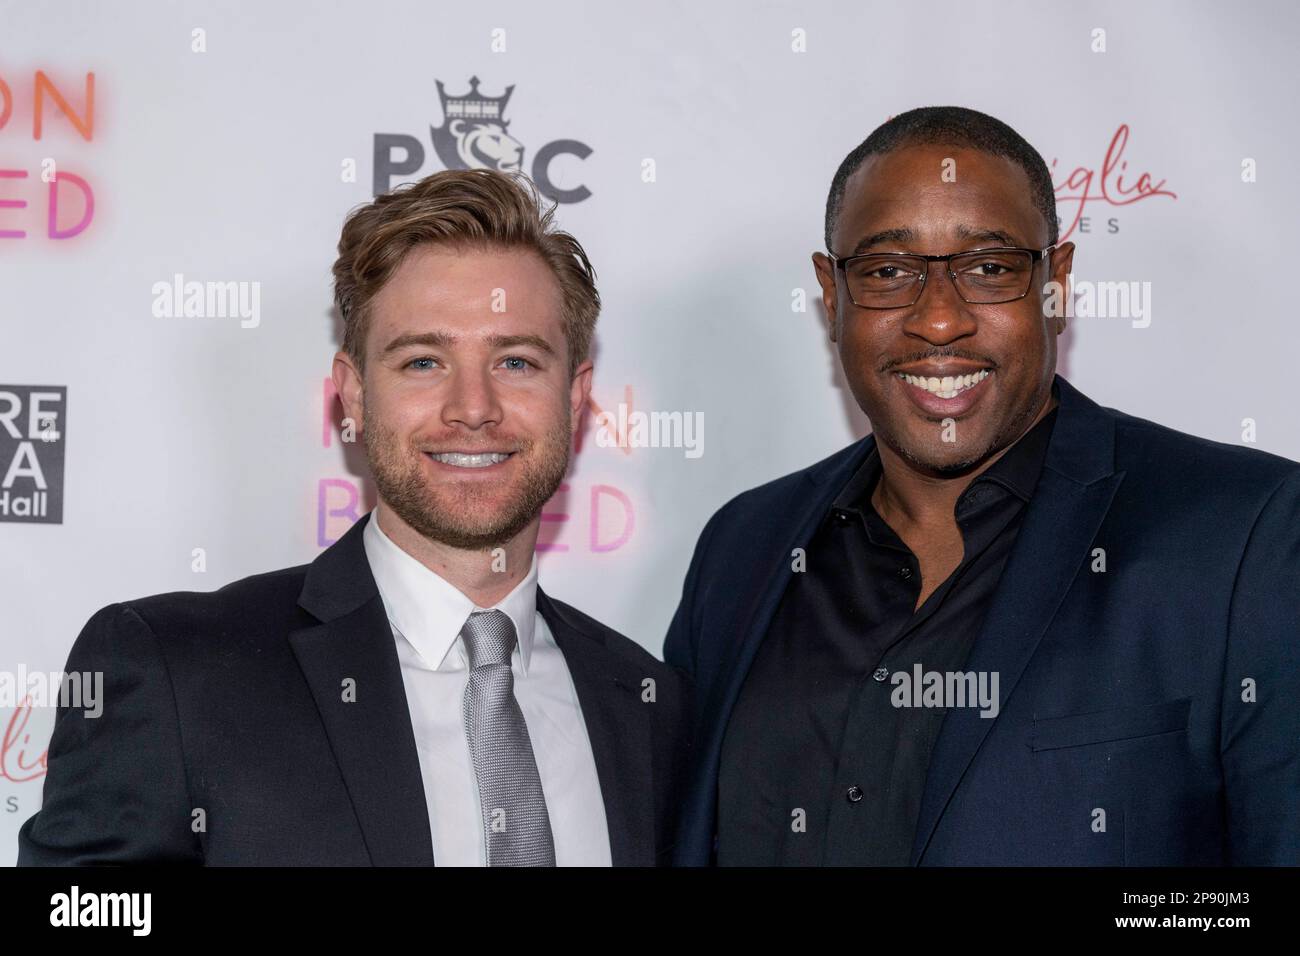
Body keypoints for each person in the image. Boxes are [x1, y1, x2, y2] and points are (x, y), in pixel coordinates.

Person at [664, 106, 1300, 866]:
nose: (939, 320)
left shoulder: (1242, 536)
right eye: (888, 272)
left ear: (1056, 285)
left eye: (990, 268)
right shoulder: (744, 548)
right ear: (831, 297)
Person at [19, 168, 689, 866]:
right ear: (354, 394)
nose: (472, 407)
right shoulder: (176, 670)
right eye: (424, 361)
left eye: (516, 361)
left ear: (576, 397)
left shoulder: (648, 708)